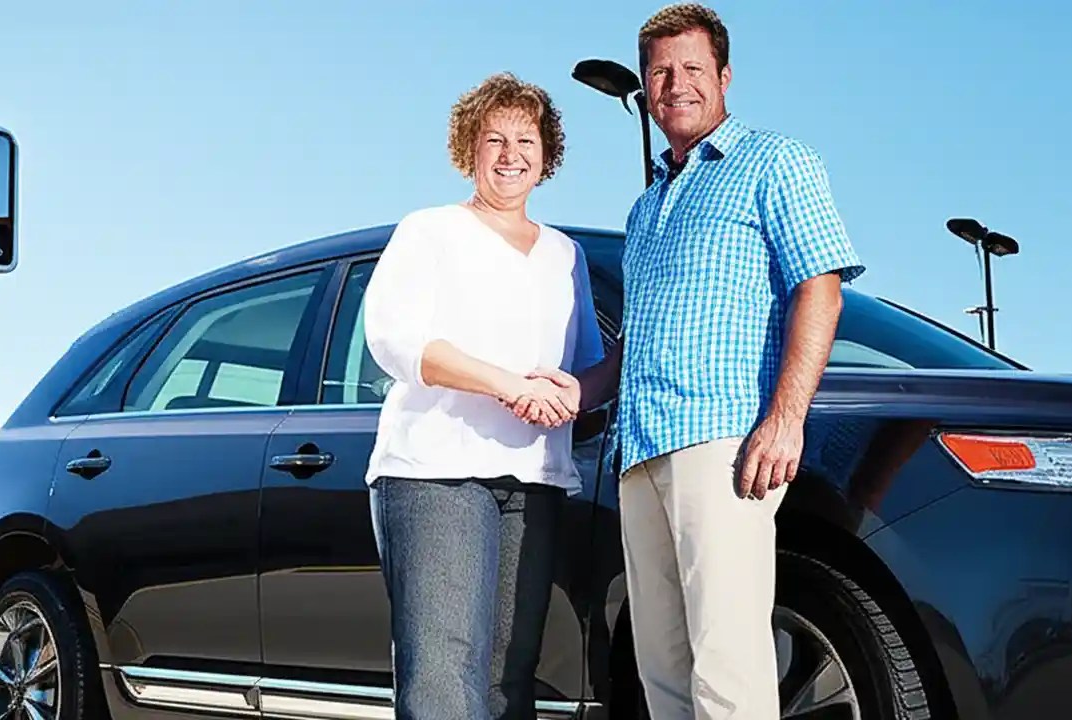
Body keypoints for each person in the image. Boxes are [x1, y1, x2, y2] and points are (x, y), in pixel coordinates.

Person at [544, 4, 866, 718]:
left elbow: (820, 286)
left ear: (724, 77)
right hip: (638, 450)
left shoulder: (775, 161)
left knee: (728, 662)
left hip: (722, 441)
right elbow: (633, 345)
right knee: (662, 665)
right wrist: (578, 388)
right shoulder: (646, 206)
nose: (674, 84)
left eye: (691, 68)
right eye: (659, 71)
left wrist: (785, 420)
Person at [362, 71, 604, 719]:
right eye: (493, 137)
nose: (510, 153)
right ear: (468, 147)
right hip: (438, 472)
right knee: (444, 674)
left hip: (535, 479)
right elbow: (394, 339)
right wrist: (507, 385)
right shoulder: (430, 230)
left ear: (546, 155)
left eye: (525, 139)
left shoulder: (565, 255)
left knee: (508, 681)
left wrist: (575, 391)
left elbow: (588, 369)